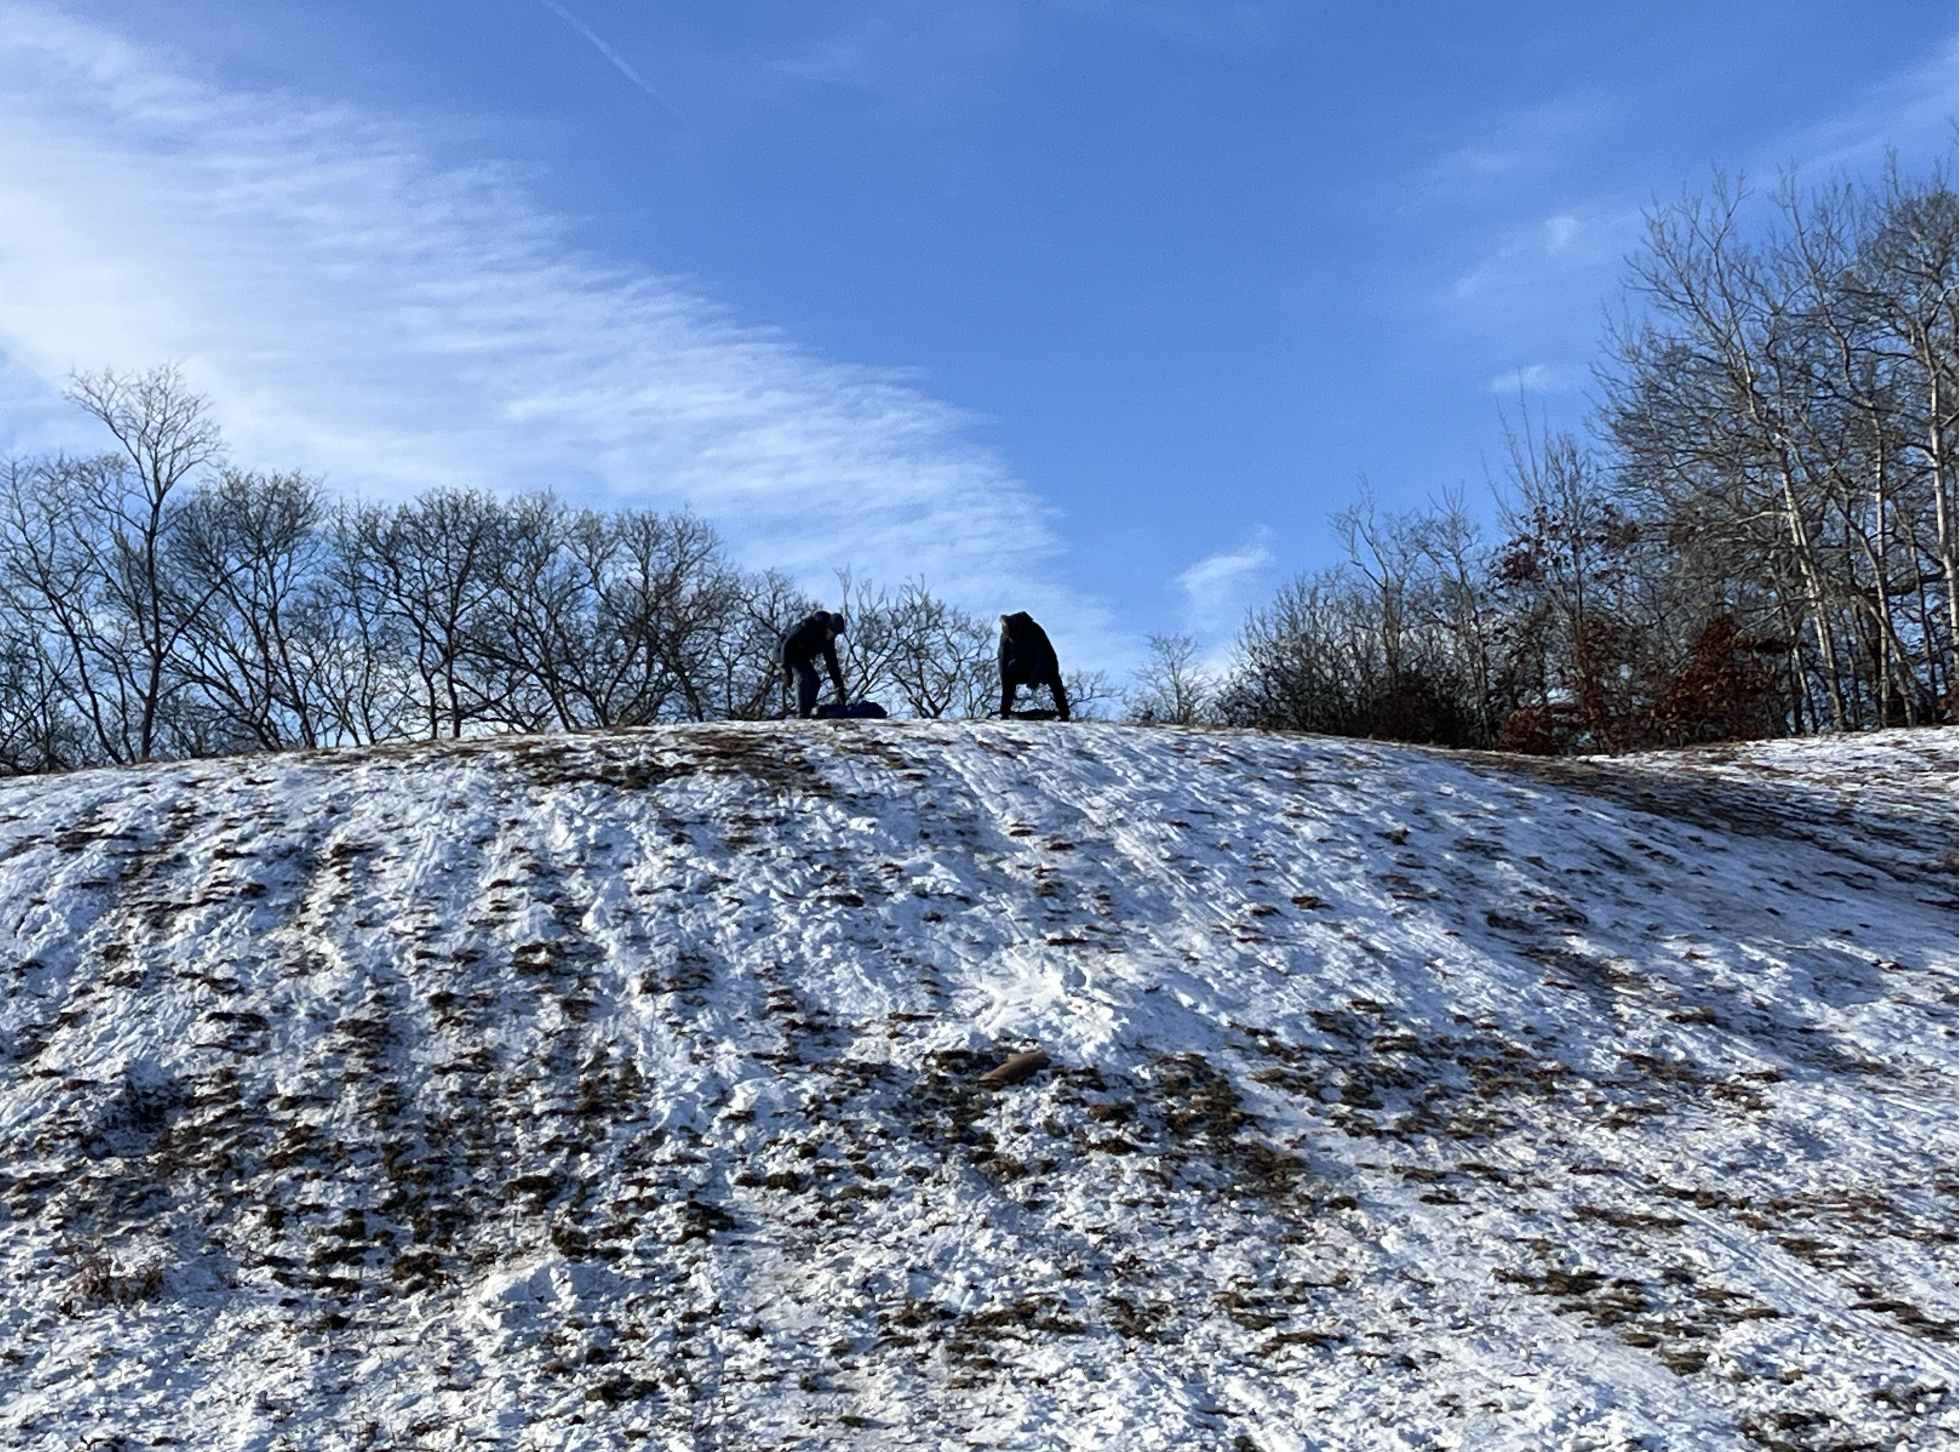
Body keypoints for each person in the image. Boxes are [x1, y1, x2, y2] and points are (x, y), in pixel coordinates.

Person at [780, 611, 848, 719]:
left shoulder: (828, 642)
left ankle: (807, 711)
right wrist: (785, 669)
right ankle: (800, 712)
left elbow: (832, 664)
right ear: (826, 627)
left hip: (802, 657)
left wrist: (838, 686)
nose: (832, 635)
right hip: (786, 653)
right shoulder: (809, 625)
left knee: (815, 681)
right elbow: (787, 643)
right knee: (802, 678)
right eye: (832, 631)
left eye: (836, 634)